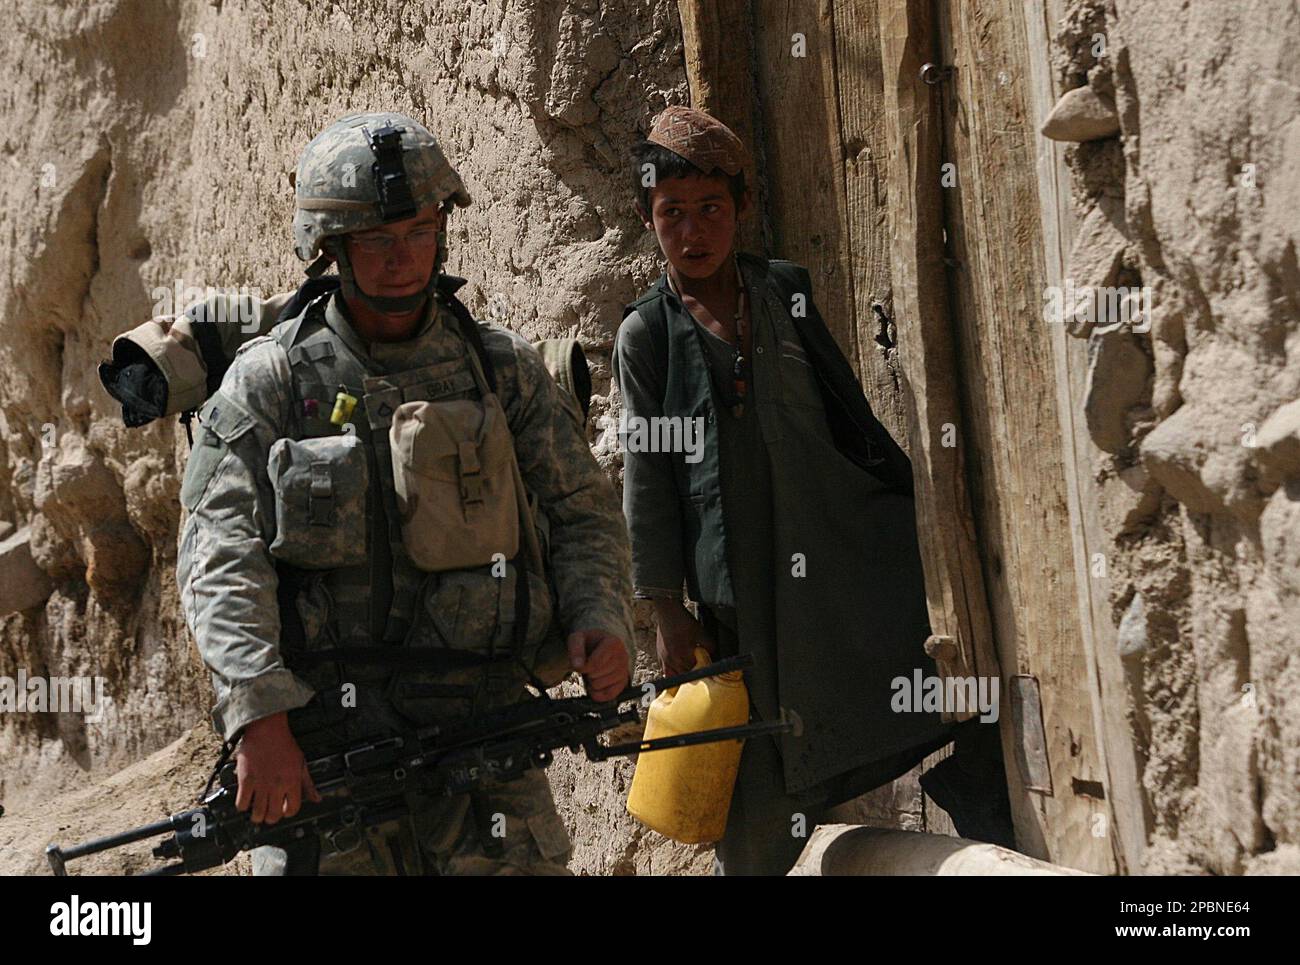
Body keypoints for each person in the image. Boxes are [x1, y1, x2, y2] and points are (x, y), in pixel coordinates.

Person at [171, 111, 633, 874]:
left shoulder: (500, 368)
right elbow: (220, 552)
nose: (403, 259)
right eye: (377, 242)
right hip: (326, 751)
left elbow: (581, 509)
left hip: (485, 728)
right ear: (331, 250)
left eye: (420, 232)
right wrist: (257, 716)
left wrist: (600, 616)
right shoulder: (271, 382)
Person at [612, 106, 970, 875]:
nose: (693, 230)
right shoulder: (646, 335)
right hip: (739, 593)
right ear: (647, 218)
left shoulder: (784, 293)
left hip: (827, 555)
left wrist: (908, 516)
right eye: (672, 213)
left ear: (741, 209)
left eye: (711, 208)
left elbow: (848, 414)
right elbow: (646, 476)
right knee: (760, 776)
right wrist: (664, 608)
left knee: (928, 696)